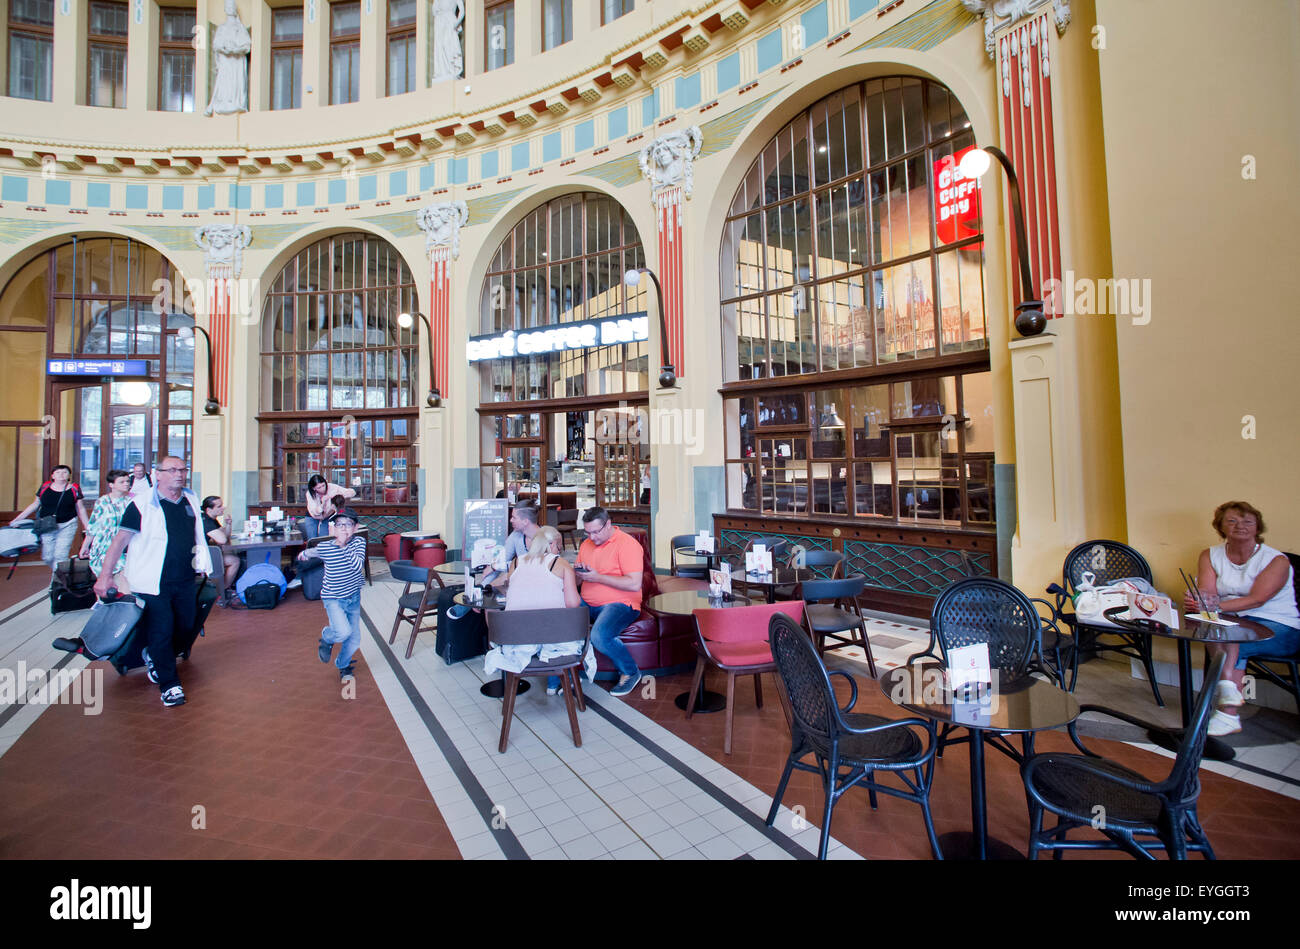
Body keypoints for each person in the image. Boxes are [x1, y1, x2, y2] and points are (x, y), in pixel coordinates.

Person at [93, 457, 211, 708]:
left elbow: (197, 535)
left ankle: (154, 656)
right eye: (172, 470)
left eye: (182, 470)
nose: (179, 474)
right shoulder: (141, 503)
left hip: (185, 577)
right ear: (158, 474)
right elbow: (120, 541)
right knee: (162, 628)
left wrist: (203, 565)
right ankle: (169, 685)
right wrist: (105, 576)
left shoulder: (190, 498)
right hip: (152, 581)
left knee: (186, 625)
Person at [1187, 501, 1300, 737]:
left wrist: (1212, 606)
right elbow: (1207, 594)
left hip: (1280, 627)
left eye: (1248, 521)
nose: (1240, 526)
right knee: (1218, 630)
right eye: (1232, 521)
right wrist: (1199, 603)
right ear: (1221, 527)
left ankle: (1228, 712)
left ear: (1257, 527)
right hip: (1232, 623)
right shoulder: (1210, 555)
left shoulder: (1276, 560)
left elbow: (1257, 599)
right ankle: (1229, 692)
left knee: (1234, 636)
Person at [484, 526, 591, 692]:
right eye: (558, 546)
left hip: (517, 644)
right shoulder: (559, 563)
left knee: (544, 621)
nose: (559, 550)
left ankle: (554, 684)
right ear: (551, 545)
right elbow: (572, 604)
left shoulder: (517, 562)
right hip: (554, 643)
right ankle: (563, 682)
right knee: (558, 623)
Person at [574, 506, 644, 697]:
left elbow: (634, 583)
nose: (592, 537)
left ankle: (630, 672)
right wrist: (579, 574)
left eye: (596, 532)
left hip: (621, 603)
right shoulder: (586, 544)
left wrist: (598, 577)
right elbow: (579, 581)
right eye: (587, 532)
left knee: (600, 636)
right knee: (560, 618)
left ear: (609, 525)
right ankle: (565, 673)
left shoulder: (627, 545)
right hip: (588, 602)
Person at [298, 510, 367, 684]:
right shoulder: (326, 547)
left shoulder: (359, 542)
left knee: (354, 640)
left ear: (355, 527)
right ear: (334, 529)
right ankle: (327, 637)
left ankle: (342, 664)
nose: (344, 529)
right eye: (339, 525)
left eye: (348, 524)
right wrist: (304, 554)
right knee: (343, 632)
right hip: (333, 598)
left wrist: (344, 547)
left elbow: (357, 566)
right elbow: (314, 551)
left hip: (353, 598)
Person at [11, 464, 90, 577]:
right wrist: (17, 519)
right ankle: (58, 574)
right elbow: (35, 504)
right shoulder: (45, 487)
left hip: (67, 524)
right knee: (47, 556)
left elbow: (80, 509)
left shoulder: (74, 488)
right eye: (58, 472)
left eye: (64, 472)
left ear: (69, 476)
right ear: (53, 475)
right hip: (46, 525)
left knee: (60, 555)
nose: (61, 475)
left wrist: (87, 527)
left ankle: (55, 582)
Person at [79, 469, 132, 594]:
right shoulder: (102, 502)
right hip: (103, 547)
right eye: (122, 482)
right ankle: (104, 607)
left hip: (123, 547)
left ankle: (124, 607)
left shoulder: (131, 502)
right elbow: (93, 526)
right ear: (111, 485)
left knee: (124, 579)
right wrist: (85, 546)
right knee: (105, 582)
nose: (126, 484)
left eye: (127, 481)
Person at [482, 501, 540, 585]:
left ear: (525, 521)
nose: (510, 520)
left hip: (541, 584)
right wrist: (482, 586)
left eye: (514, 517)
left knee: (504, 578)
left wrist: (495, 566)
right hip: (521, 584)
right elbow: (500, 561)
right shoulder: (515, 535)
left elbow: (529, 565)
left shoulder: (548, 537)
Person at [200, 496, 242, 605]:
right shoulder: (205, 520)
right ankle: (222, 590)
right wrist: (222, 534)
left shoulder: (212, 520)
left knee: (230, 554)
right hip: (201, 558)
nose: (223, 508)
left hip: (207, 554)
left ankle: (223, 589)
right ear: (209, 510)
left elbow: (226, 536)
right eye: (219, 506)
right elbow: (222, 540)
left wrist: (228, 524)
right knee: (235, 560)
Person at [303, 474, 356, 540]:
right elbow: (315, 512)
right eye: (319, 487)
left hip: (327, 515)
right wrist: (323, 504)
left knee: (324, 537)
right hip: (312, 516)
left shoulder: (332, 487)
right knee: (312, 538)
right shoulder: (309, 494)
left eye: (323, 485)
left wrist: (334, 495)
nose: (323, 488)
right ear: (314, 488)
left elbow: (352, 492)